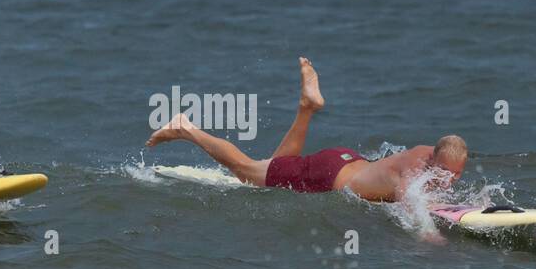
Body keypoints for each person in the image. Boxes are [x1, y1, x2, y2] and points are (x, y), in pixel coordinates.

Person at [146, 57, 466, 201]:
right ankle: (186, 128)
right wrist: (430, 237)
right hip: (328, 176)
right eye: (445, 173)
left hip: (343, 160)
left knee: (276, 168)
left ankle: (307, 107)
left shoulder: (431, 152)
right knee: (245, 171)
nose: (449, 180)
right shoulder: (412, 175)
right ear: (434, 160)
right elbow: (413, 212)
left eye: (456, 175)